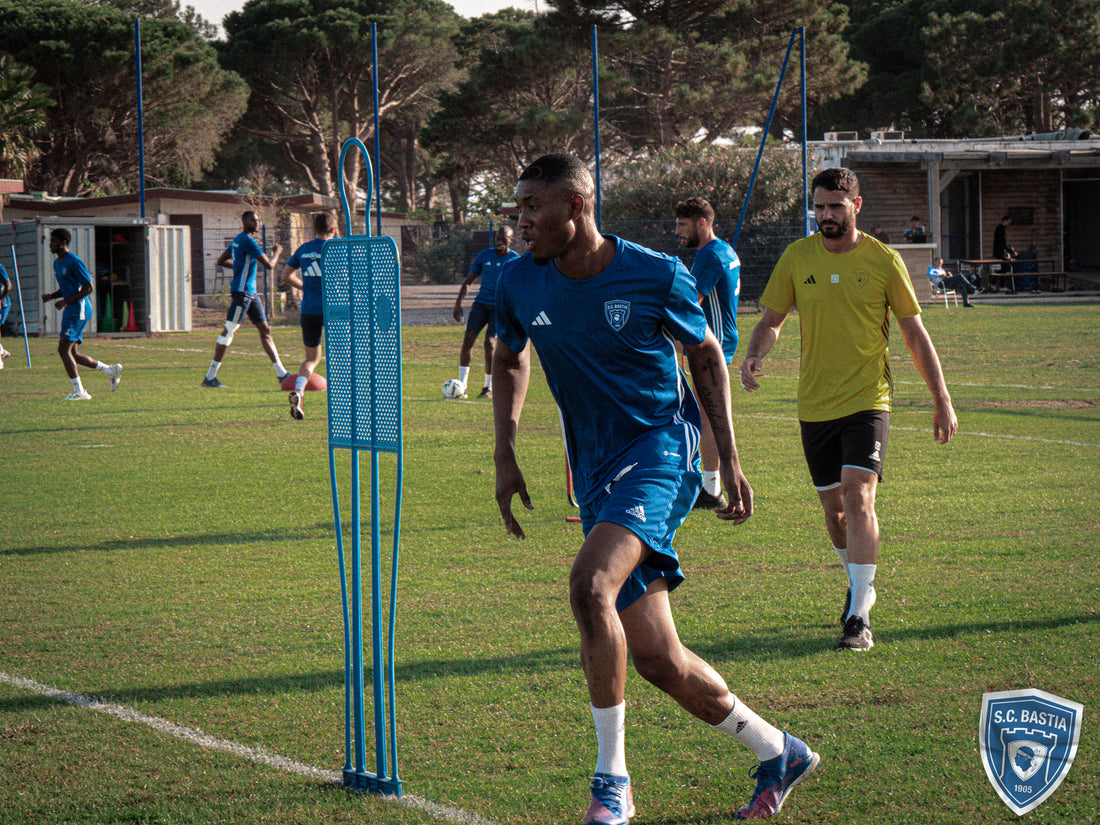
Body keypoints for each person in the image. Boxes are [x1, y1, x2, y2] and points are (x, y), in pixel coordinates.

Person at [494, 153, 819, 824]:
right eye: (518, 207)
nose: (521, 221)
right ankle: (779, 750)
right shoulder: (518, 282)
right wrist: (504, 450)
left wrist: (727, 461)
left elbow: (705, 357)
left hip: (661, 453)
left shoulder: (653, 272)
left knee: (590, 584)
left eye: (534, 207)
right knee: (658, 660)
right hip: (596, 473)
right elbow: (508, 356)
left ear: (577, 209)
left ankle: (612, 783)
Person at [740, 167, 958, 652]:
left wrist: (941, 399)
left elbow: (913, 333)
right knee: (834, 510)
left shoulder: (883, 260)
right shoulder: (798, 257)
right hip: (814, 404)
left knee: (859, 498)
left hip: (868, 399)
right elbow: (771, 319)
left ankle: (858, 615)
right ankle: (862, 583)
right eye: (819, 206)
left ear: (856, 207)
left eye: (836, 206)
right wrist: (757, 351)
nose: (826, 215)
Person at [673, 196, 741, 510]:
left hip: (710, 347)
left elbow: (690, 304)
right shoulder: (724, 249)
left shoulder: (709, 256)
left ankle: (712, 490)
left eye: (683, 225)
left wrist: (672, 340)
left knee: (709, 418)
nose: (677, 232)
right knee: (707, 417)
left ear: (703, 223)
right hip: (722, 341)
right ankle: (709, 486)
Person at [202, 211, 288, 388]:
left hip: (251, 293)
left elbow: (221, 260)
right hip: (242, 294)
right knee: (229, 331)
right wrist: (277, 252)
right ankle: (210, 377)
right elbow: (270, 265)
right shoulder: (248, 241)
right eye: (253, 220)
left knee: (265, 329)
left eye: (258, 219)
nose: (257, 222)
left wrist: (239, 266)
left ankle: (281, 373)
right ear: (244, 221)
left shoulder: (238, 239)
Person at [41, 228, 122, 400]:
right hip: (71, 309)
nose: (50, 244)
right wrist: (52, 296)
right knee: (73, 354)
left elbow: (88, 287)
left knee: (63, 349)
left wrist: (65, 301)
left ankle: (80, 392)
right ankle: (110, 370)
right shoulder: (57, 263)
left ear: (63, 243)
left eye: (53, 241)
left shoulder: (74, 261)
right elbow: (67, 288)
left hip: (79, 309)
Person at [449, 225, 520, 399]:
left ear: (511, 240)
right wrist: (458, 303)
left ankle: (488, 388)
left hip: (499, 307)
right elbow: (469, 281)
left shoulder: (515, 260)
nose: (499, 242)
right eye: (497, 238)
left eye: (503, 239)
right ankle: (462, 387)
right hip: (481, 304)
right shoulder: (484, 255)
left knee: (489, 343)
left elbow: (521, 286)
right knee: (468, 340)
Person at [280, 211, 337, 420]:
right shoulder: (336, 249)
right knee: (342, 357)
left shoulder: (303, 249)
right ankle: (345, 399)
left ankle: (300, 392)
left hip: (309, 310)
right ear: (333, 229)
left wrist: (304, 287)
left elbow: (286, 276)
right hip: (334, 311)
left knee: (311, 359)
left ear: (314, 229)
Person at [992, 215, 1018, 290]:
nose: (1009, 224)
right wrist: (1011, 251)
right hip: (999, 252)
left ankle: (995, 283)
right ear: (1005, 221)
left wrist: (1009, 247)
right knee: (1003, 268)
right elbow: (1003, 242)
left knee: (1003, 268)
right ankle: (1000, 285)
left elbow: (1005, 241)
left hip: (1000, 251)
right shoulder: (1000, 229)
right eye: (1008, 222)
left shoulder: (1001, 229)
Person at [0, 261, 11, 368]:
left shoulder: (0, 268)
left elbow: (9, 286)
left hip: (2, 304)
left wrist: (0, 299)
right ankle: (2, 351)